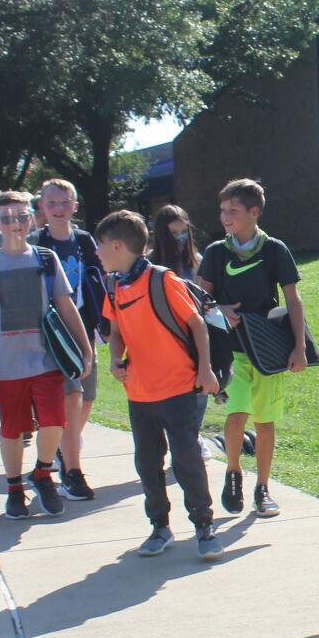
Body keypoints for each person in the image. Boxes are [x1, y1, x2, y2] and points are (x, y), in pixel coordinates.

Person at [96, 210, 222, 559]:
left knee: (186, 458)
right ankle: (160, 527)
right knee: (148, 462)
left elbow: (197, 324)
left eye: (100, 244)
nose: (97, 252)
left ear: (117, 246)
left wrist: (205, 370)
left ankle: (204, 526)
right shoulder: (114, 285)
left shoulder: (162, 279)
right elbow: (116, 331)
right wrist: (116, 359)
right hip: (139, 392)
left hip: (178, 388)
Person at [0, 190, 94, 521]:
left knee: (55, 421)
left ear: (32, 219)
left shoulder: (45, 259)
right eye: (7, 218)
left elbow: (66, 305)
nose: (15, 224)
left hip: (45, 359)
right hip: (4, 366)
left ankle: (42, 473)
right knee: (12, 429)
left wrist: (85, 348)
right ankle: (14, 489)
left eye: (22, 217)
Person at [196, 178, 306, 518]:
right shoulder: (216, 252)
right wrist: (219, 309)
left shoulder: (275, 249)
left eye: (233, 210)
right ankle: (233, 474)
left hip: (268, 351)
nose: (225, 216)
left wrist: (299, 347)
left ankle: (263, 488)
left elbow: (292, 299)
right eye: (222, 210)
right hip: (231, 351)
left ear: (254, 212)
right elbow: (197, 299)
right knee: (236, 414)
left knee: (265, 423)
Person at [29, 179, 104, 501]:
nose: (58, 209)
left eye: (64, 203)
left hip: (83, 328)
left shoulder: (84, 241)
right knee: (71, 396)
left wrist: (107, 322)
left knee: (87, 397)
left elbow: (99, 279)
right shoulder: (36, 243)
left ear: (74, 206)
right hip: (52, 333)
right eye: (52, 203)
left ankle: (60, 448)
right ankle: (73, 471)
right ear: (42, 208)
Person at [148, 205, 215, 458]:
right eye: (173, 234)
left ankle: (191, 438)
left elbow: (207, 297)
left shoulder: (196, 261)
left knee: (199, 391)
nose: (180, 239)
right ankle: (182, 440)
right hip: (164, 339)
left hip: (195, 336)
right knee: (172, 396)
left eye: (183, 232)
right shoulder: (151, 265)